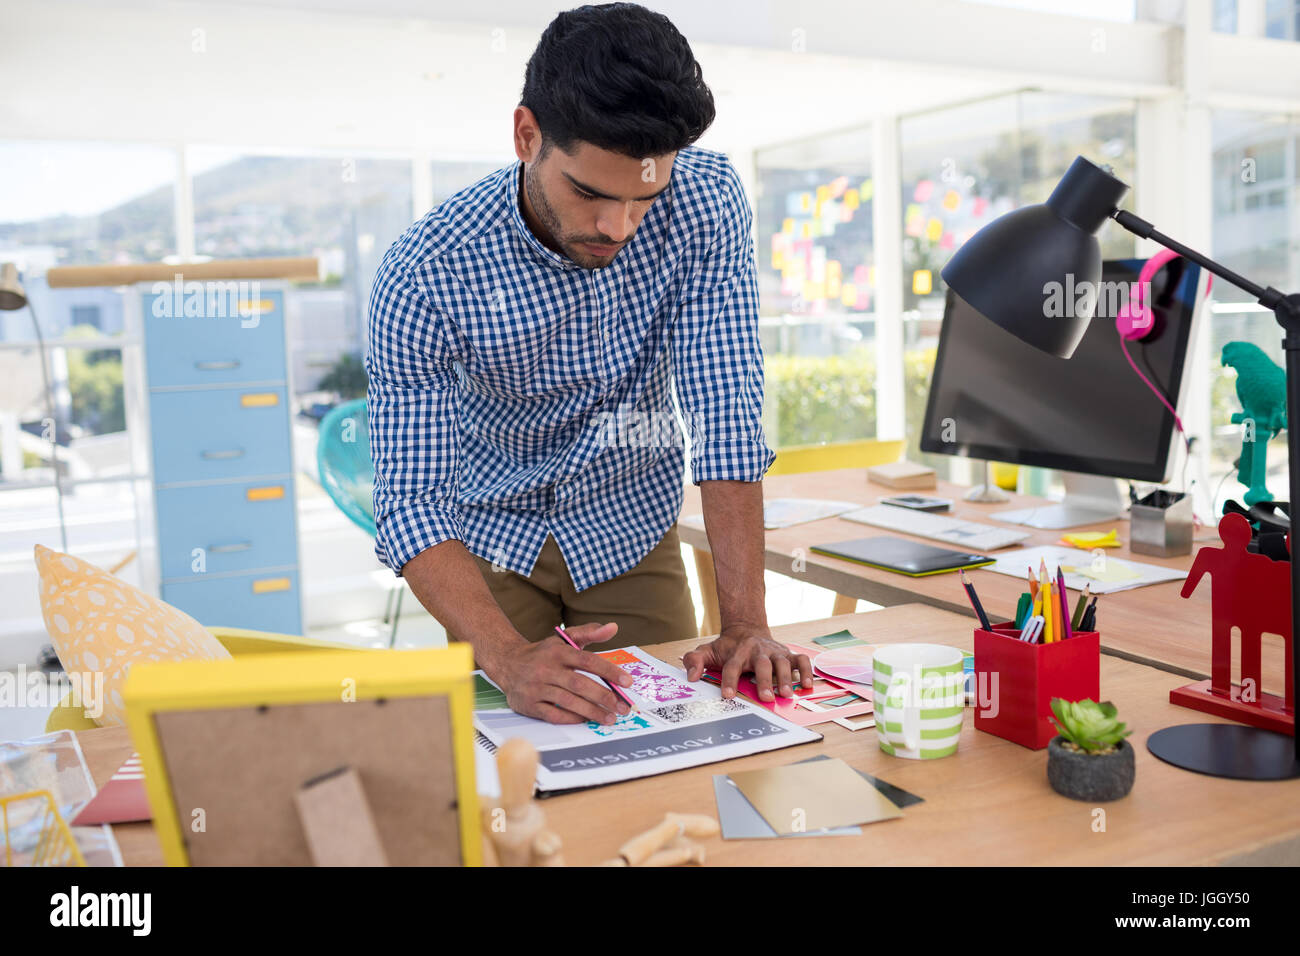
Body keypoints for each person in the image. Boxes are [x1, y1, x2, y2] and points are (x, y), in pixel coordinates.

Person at [366, 3, 812, 726]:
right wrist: (506, 656)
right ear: (527, 136)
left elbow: (724, 408)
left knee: (674, 746)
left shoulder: (706, 202)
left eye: (645, 196)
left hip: (630, 521)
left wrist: (746, 623)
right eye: (590, 193)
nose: (619, 227)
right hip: (488, 539)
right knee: (520, 759)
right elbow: (411, 499)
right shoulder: (427, 272)